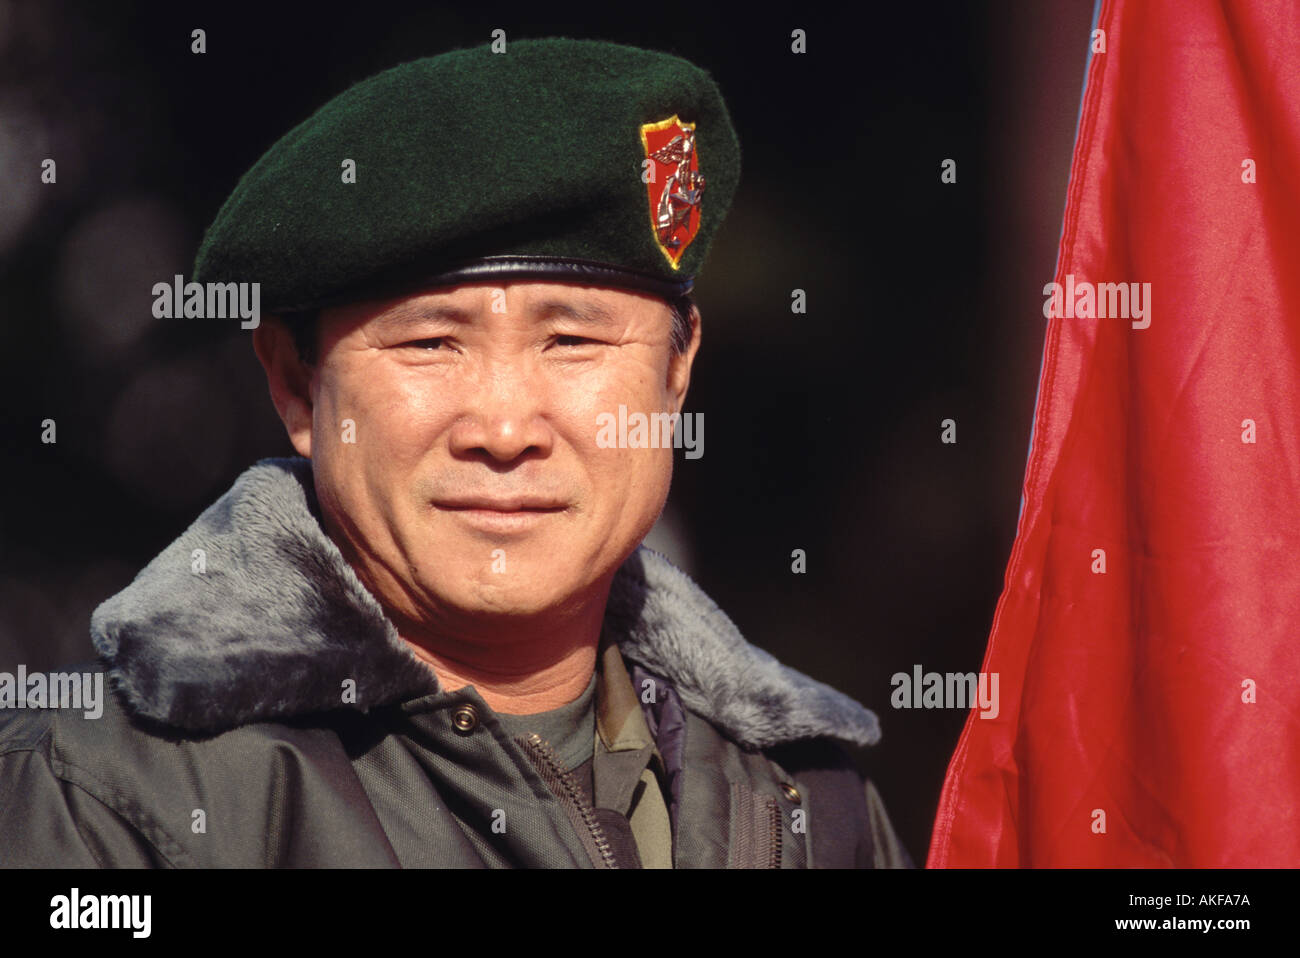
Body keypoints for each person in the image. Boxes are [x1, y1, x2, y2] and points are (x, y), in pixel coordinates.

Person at [0, 37, 910, 868]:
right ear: (295, 386)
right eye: (430, 343)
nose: (505, 431)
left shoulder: (812, 806)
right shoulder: (105, 800)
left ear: (676, 374)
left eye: (573, 342)